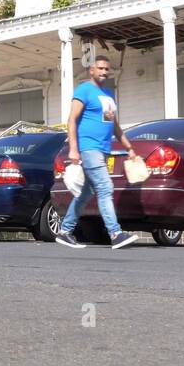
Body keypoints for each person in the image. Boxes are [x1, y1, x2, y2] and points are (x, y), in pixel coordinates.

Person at [56, 55, 139, 250]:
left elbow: (115, 125)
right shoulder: (83, 90)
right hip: (88, 147)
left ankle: (65, 231)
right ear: (91, 70)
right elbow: (72, 120)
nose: (103, 72)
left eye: (106, 69)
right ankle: (116, 233)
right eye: (99, 68)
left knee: (86, 193)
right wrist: (74, 149)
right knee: (105, 187)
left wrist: (129, 148)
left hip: (103, 150)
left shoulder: (109, 95)